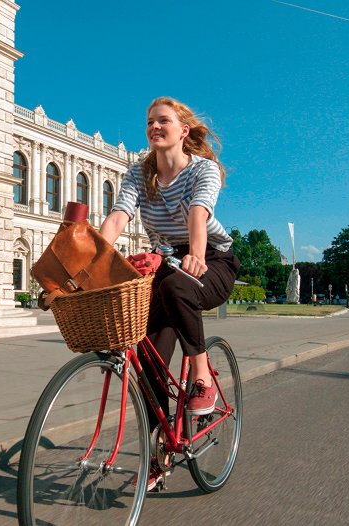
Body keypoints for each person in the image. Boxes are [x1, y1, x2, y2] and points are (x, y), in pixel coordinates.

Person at [100, 97, 239, 487]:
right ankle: (159, 454)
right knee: (149, 363)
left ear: (183, 130)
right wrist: (91, 260)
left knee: (180, 285)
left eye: (163, 120)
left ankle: (202, 376)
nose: (155, 127)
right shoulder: (139, 174)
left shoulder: (202, 169)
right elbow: (118, 216)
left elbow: (198, 212)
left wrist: (196, 254)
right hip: (164, 264)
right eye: (150, 122)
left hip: (211, 259)